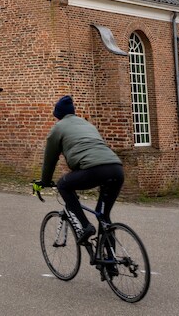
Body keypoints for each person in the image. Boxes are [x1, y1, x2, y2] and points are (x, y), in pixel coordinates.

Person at [34, 95, 124, 243]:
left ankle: (86, 226)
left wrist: (45, 181)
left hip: (94, 170)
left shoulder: (58, 128)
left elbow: (50, 160)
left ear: (58, 115)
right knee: (103, 216)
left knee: (63, 185)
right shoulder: (88, 125)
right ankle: (109, 256)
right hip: (116, 169)